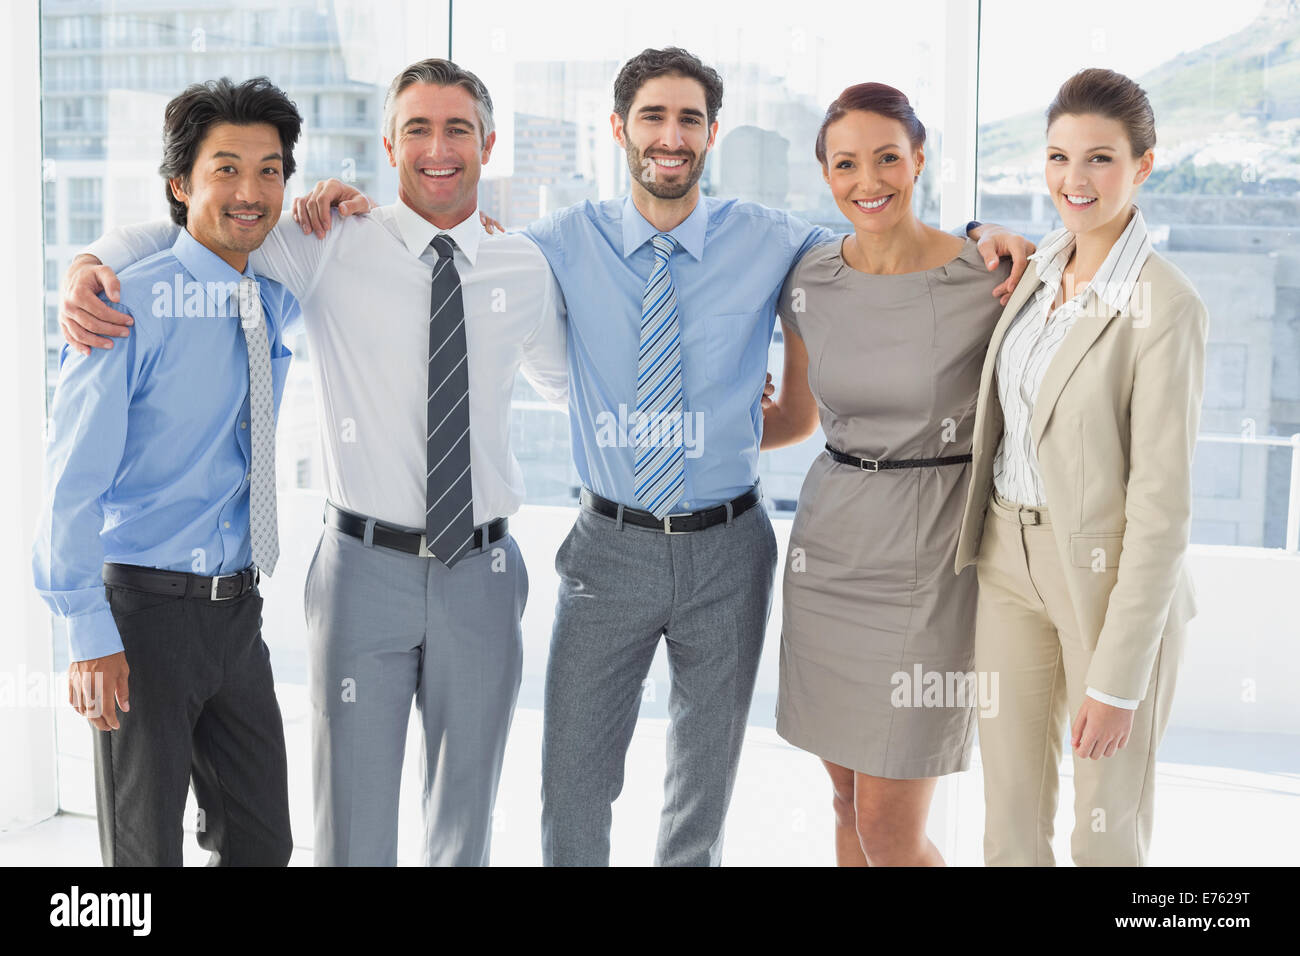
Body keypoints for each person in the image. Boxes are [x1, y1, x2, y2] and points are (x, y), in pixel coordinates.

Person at [296, 46, 1034, 866]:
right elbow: (461, 252)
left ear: (712, 132)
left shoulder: (774, 241)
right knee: (573, 785)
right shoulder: (554, 245)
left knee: (701, 791)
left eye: (689, 118)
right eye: (652, 116)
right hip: (607, 549)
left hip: (730, 549)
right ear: (619, 129)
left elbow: (882, 230)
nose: (670, 136)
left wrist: (981, 233)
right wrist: (346, 202)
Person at [57, 59, 568, 866]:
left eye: (458, 128)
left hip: (461, 572)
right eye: (418, 130)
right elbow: (206, 234)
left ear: (489, 143)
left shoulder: (520, 267)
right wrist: (90, 261)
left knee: (427, 823)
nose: (438, 147)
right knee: (306, 835)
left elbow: (574, 380)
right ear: (389, 145)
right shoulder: (320, 247)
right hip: (330, 574)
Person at [33, 76, 302, 866]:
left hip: (239, 613)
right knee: (143, 858)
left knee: (261, 842)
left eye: (271, 170)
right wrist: (86, 634)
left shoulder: (274, 300)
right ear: (181, 186)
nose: (251, 192)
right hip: (141, 617)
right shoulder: (123, 306)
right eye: (226, 169)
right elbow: (69, 482)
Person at [953, 68, 1209, 866]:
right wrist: (977, 232)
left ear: (1144, 165)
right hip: (1005, 561)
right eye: (1060, 157)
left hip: (1104, 581)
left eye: (1100, 159)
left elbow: (1162, 510)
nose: (1075, 179)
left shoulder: (1167, 307)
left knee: (1105, 830)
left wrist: (1120, 679)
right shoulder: (1033, 271)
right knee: (1010, 822)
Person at [760, 83, 1010, 866]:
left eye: (887, 159)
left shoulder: (989, 272)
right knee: (843, 802)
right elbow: (798, 420)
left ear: (919, 160)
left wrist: (993, 231)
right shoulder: (810, 280)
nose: (867, 181)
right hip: (831, 550)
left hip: (933, 558)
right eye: (846, 165)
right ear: (826, 176)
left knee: (888, 826)